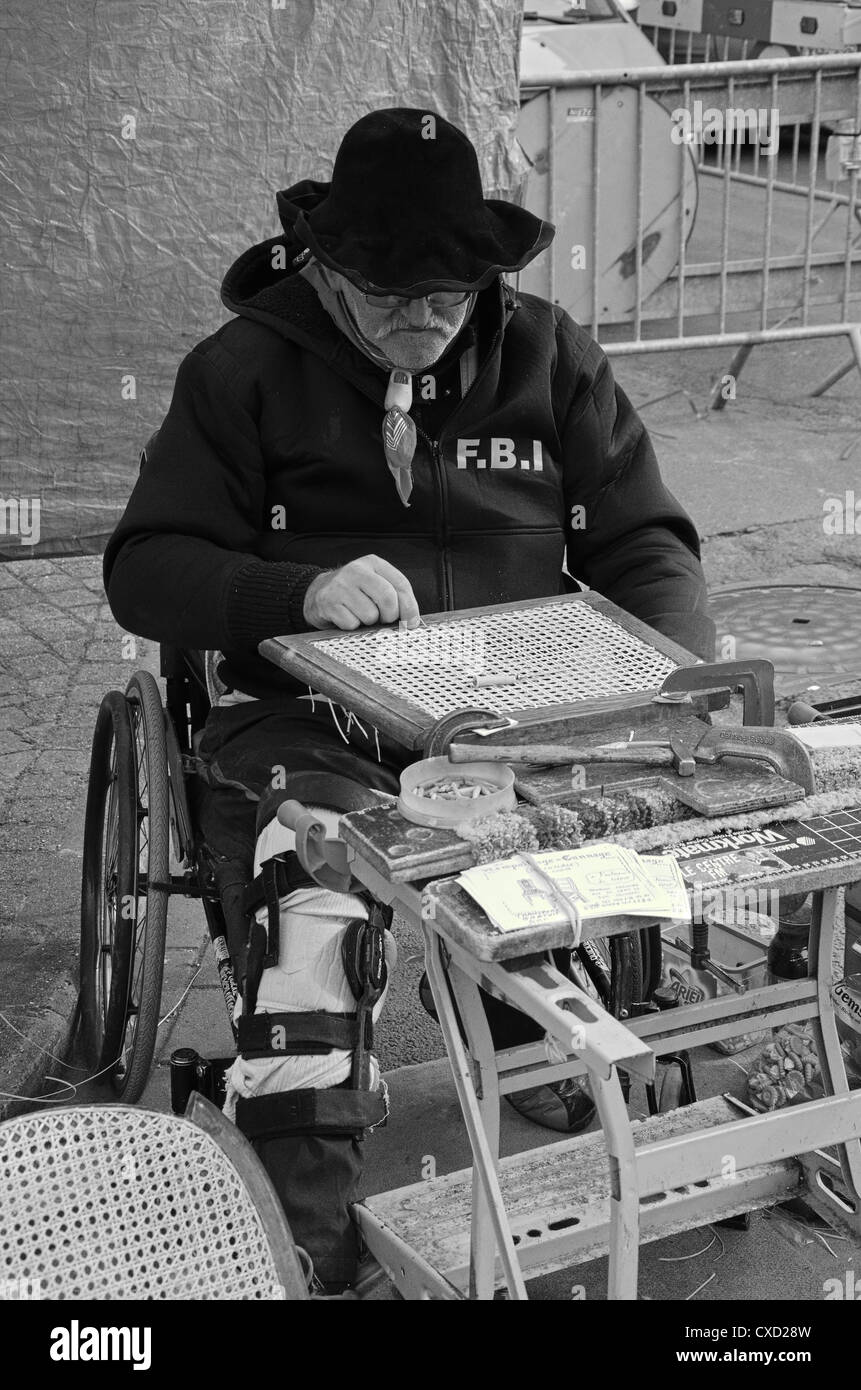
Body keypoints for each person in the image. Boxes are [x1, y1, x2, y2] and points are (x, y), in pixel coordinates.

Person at [104, 107, 714, 1290]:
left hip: (513, 723)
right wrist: (295, 586)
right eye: (386, 299)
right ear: (326, 267)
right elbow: (143, 566)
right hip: (305, 725)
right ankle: (316, 1240)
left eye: (445, 298)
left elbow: (645, 543)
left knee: (584, 863)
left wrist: (672, 683)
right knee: (313, 908)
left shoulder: (549, 356)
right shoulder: (241, 372)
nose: (419, 327)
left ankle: (542, 1039)